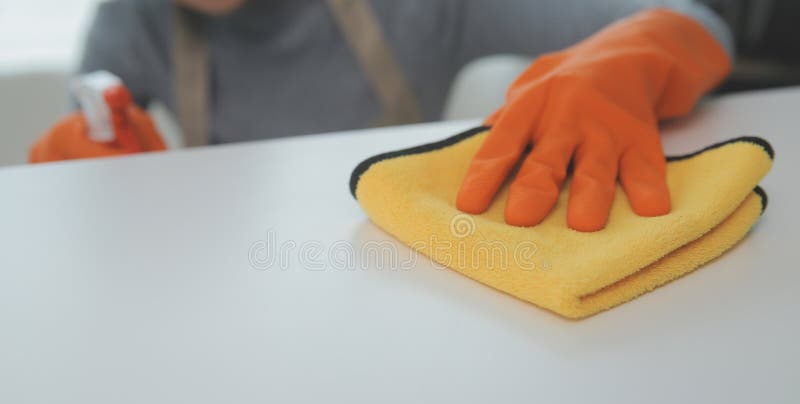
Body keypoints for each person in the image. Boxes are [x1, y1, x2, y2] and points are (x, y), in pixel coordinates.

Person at [29, 0, 733, 231]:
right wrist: (92, 181)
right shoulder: (133, 22)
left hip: (402, 281)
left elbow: (697, 19)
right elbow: (91, 136)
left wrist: (628, 60)